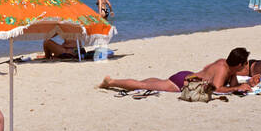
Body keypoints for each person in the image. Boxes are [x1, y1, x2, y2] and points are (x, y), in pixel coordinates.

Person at [99, 47, 252, 94]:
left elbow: (230, 82)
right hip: (182, 83)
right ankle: (111, 81)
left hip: (186, 76)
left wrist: (246, 83)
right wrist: (237, 88)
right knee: (142, 86)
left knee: (155, 82)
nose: (246, 66)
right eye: (245, 64)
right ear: (238, 64)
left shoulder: (226, 65)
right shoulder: (222, 69)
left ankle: (113, 82)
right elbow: (218, 88)